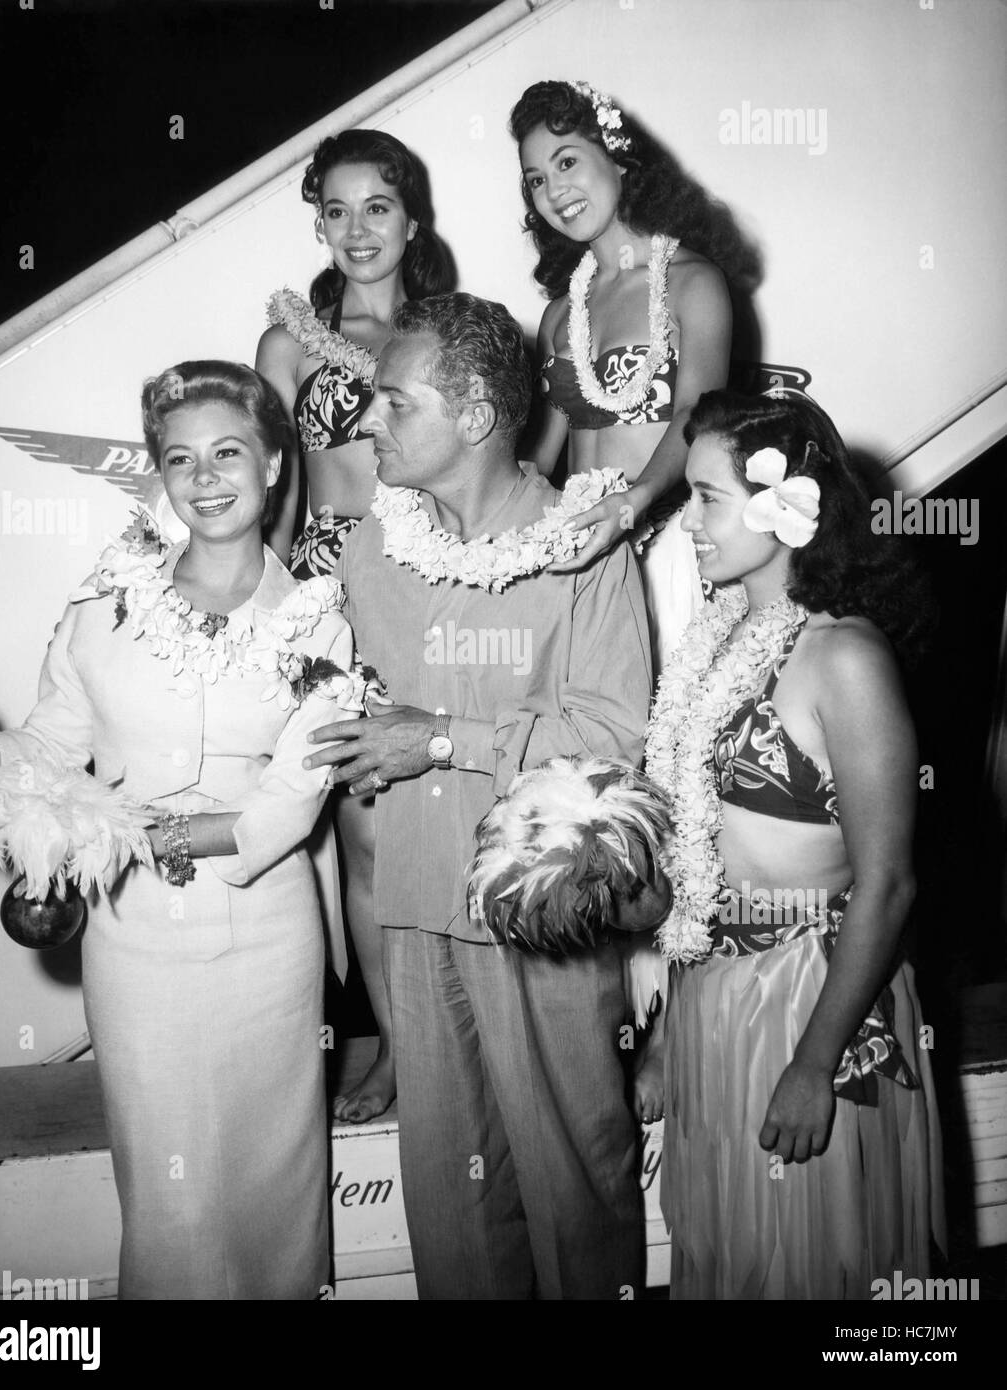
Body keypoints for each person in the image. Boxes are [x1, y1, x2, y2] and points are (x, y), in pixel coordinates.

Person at [0, 362, 357, 1298]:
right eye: (180, 459)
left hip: (268, 941)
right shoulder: (107, 601)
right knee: (169, 1198)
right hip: (134, 943)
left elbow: (289, 804)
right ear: (160, 476)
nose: (206, 476)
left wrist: (154, 835)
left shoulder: (319, 617)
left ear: (273, 463)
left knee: (274, 1186)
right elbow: (49, 748)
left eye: (229, 452)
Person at [305, 292, 653, 1300]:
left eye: (391, 400)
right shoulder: (373, 546)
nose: (365, 420)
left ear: (473, 415)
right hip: (415, 913)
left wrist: (444, 739)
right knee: (450, 1207)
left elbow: (611, 737)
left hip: (538, 913)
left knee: (573, 1189)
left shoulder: (577, 539)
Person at [646, 389, 944, 1299]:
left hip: (813, 1008)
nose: (687, 519)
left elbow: (889, 884)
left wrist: (815, 1064)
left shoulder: (845, 658)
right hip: (713, 1002)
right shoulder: (714, 636)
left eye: (706, 497)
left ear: (786, 505)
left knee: (816, 1266)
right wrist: (666, 1031)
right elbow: (697, 859)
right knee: (732, 1258)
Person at [256, 129, 454, 1123]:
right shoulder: (287, 339)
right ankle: (389, 1041)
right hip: (325, 591)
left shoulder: (446, 332)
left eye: (376, 205)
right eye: (335, 209)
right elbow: (278, 498)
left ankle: (429, 1041)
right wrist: (274, 614)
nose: (356, 228)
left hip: (419, 586)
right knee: (347, 836)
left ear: (410, 218)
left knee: (411, 832)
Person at [510, 78, 745, 662]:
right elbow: (543, 456)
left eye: (567, 161)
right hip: (583, 550)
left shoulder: (693, 282)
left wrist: (633, 503)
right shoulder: (561, 314)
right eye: (536, 179)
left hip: (667, 542)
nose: (553, 190)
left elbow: (697, 415)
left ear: (619, 160)